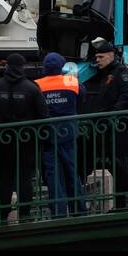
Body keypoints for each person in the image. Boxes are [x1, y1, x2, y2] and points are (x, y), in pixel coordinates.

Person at [0, 53, 49, 222]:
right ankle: (25, 214)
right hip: (26, 142)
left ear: (7, 67)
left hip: (2, 142)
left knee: (4, 179)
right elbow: (43, 116)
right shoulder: (32, 88)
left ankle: (3, 215)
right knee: (25, 179)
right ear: (22, 67)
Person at [36, 52, 86, 217]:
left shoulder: (37, 85)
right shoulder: (72, 82)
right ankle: (79, 209)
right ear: (61, 66)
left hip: (48, 136)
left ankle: (58, 211)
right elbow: (82, 101)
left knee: (52, 174)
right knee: (72, 170)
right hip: (69, 133)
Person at [92, 40, 128, 210]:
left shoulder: (123, 73)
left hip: (120, 127)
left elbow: (126, 98)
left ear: (111, 56)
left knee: (121, 166)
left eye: (100, 56)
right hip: (109, 128)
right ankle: (121, 203)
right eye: (96, 56)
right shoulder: (107, 74)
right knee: (115, 167)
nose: (97, 60)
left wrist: (111, 115)